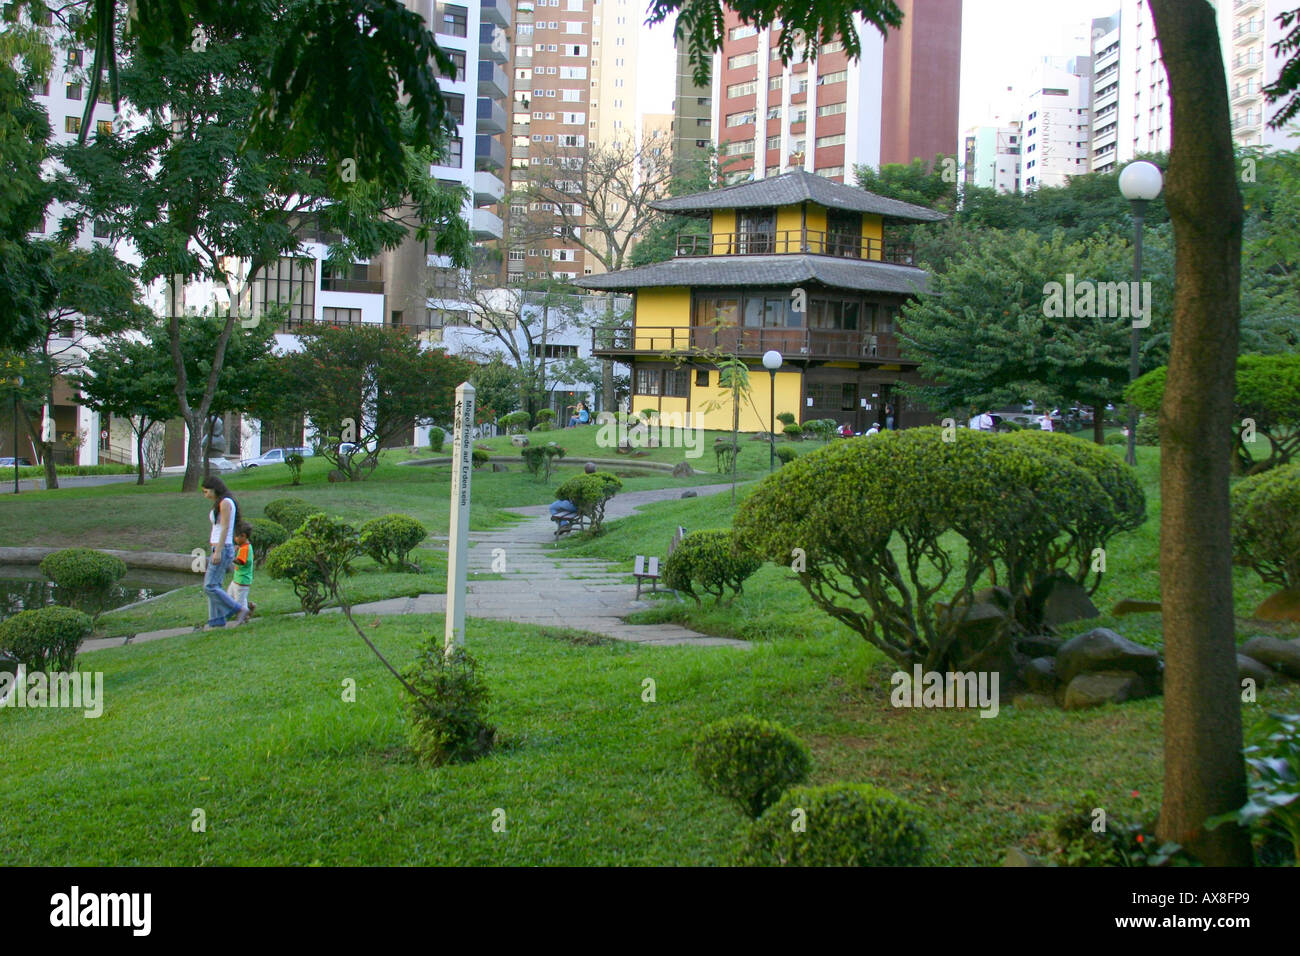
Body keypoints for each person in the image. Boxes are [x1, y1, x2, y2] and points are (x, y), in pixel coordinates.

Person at [201, 475, 245, 629]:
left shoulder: (226, 503)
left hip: (222, 548)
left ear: (214, 489)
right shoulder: (221, 502)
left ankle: (238, 609)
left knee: (209, 586)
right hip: (219, 547)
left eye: (206, 492)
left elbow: (225, 527)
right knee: (215, 585)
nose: (205, 495)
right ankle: (216, 621)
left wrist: (218, 551)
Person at [227, 522, 256, 623]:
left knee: (239, 603)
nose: (235, 539)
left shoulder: (245, 549)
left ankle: (243, 618)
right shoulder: (246, 547)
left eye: (236, 537)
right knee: (229, 597)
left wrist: (231, 557)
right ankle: (248, 607)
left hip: (242, 580)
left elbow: (241, 561)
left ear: (243, 536)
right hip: (238, 579)